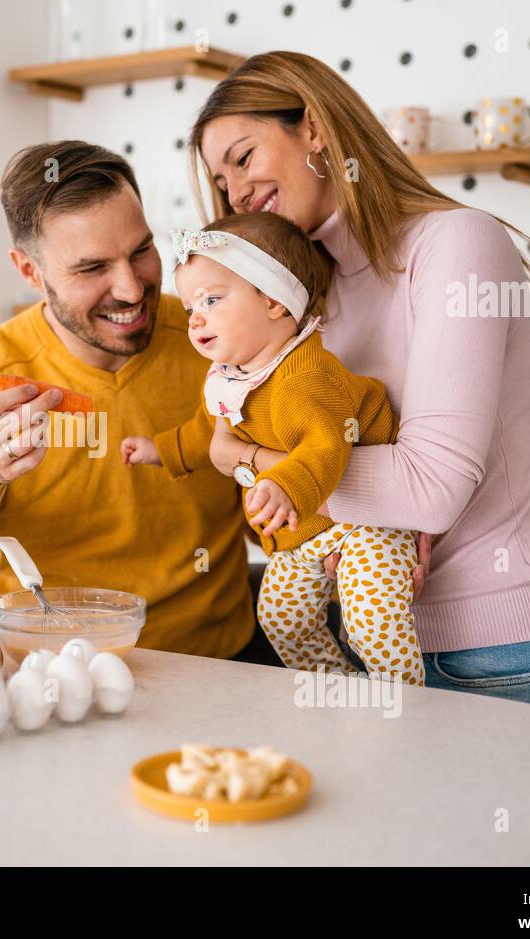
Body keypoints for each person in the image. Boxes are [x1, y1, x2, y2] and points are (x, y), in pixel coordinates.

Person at [184, 51, 530, 717]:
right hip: (370, 645)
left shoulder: (457, 245)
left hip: (503, 657)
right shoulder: (302, 307)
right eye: (219, 179)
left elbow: (428, 490)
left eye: (243, 156)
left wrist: (240, 458)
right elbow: (324, 487)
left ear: (315, 127)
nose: (235, 191)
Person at [0, 141, 254, 658]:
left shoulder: (221, 345)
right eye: (92, 268)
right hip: (45, 681)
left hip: (218, 671)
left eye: (142, 251)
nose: (130, 289)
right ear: (30, 272)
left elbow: (280, 502)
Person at [123, 212, 424, 685]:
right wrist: (159, 450)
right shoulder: (233, 376)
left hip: (367, 523)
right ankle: (338, 690)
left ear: (274, 303)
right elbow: (208, 433)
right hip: (302, 529)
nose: (196, 317)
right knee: (283, 618)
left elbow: (325, 445)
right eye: (190, 307)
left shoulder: (306, 377)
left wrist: (283, 484)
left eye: (213, 299)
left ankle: (405, 700)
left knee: (372, 622)